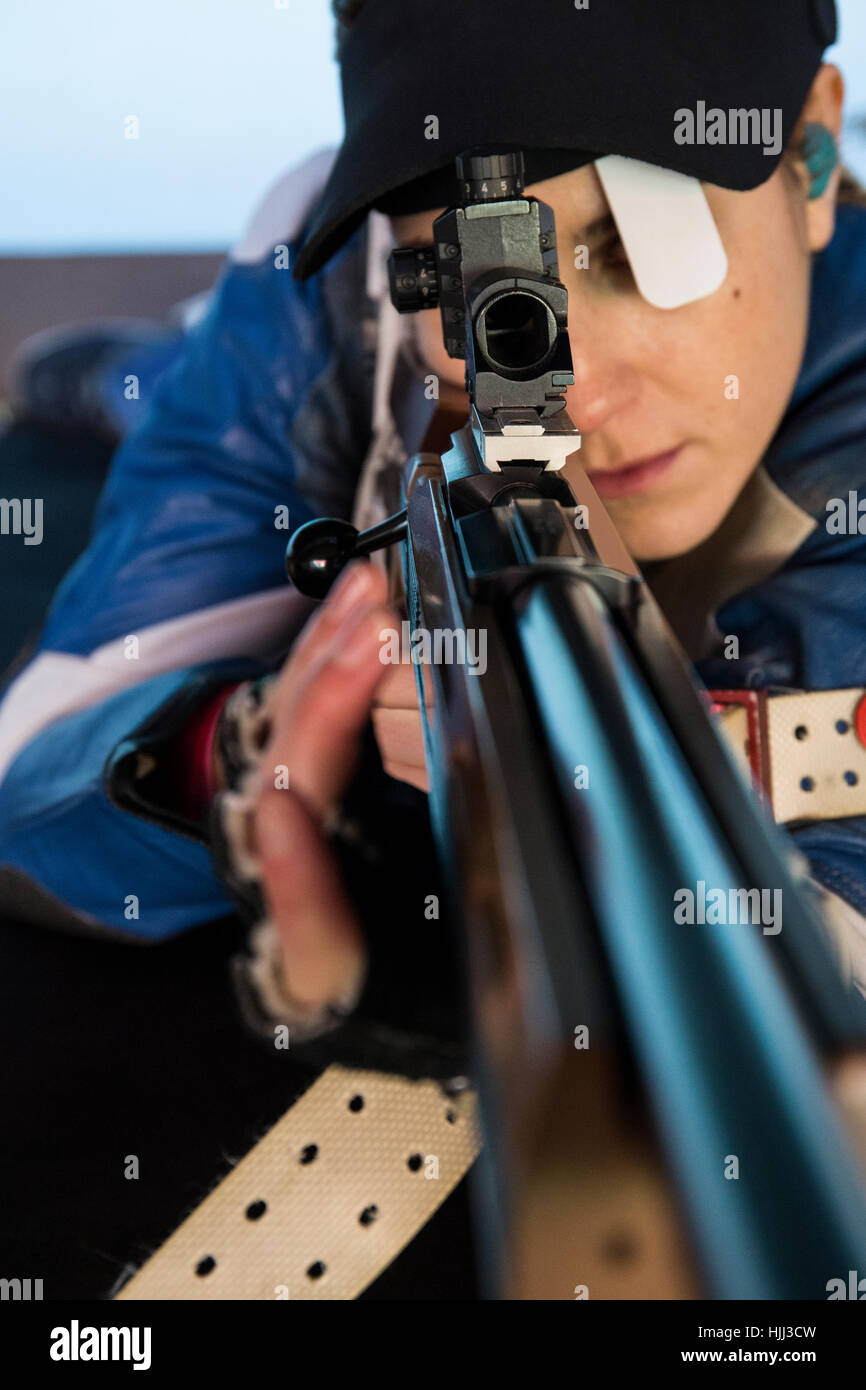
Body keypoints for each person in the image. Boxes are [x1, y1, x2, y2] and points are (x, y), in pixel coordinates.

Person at [0, 0, 864, 1086]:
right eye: (476, 285)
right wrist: (239, 751)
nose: (574, 387)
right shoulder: (322, 299)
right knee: (139, 390)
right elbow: (26, 771)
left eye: (636, 249)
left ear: (813, 153)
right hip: (254, 373)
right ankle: (121, 370)